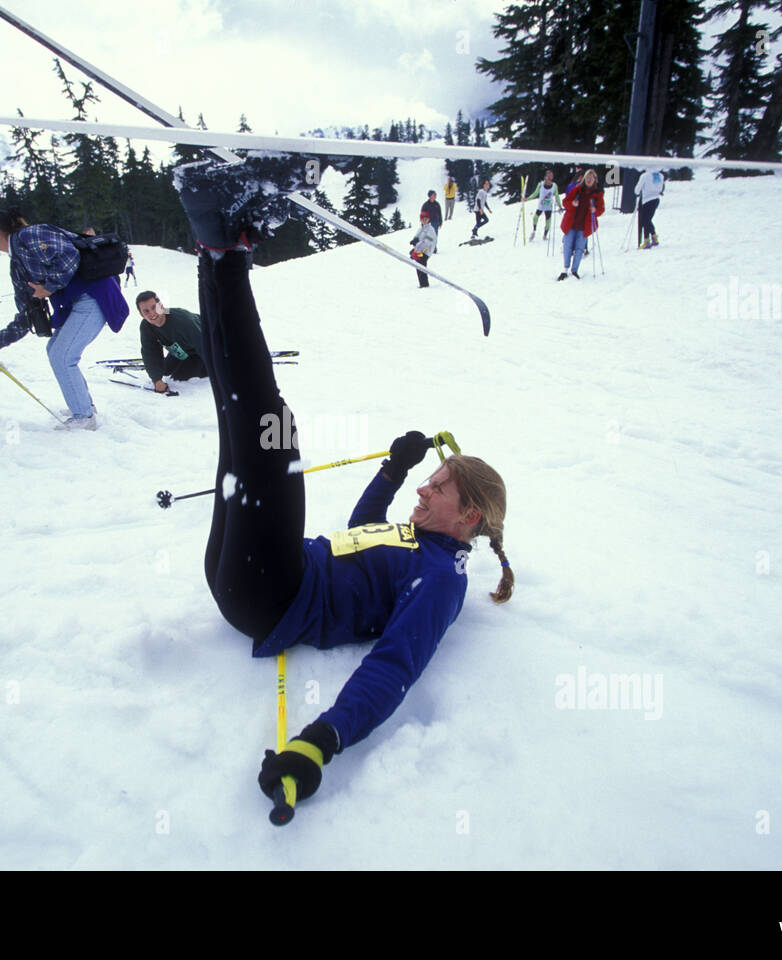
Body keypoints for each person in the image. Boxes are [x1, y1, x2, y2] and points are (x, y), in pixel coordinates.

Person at [172, 153, 513, 810]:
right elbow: (363, 533)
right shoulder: (417, 543)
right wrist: (395, 468)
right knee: (239, 422)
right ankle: (217, 244)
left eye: (438, 488)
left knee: (272, 430)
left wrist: (319, 741)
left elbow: (395, 666)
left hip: (273, 592)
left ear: (470, 516)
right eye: (430, 482)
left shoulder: (441, 579)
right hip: (250, 578)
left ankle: (224, 241)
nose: (423, 493)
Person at [0, 208, 129, 430]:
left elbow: (69, 255)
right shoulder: (17, 264)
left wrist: (48, 287)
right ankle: (84, 406)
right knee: (55, 349)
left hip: (95, 295)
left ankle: (84, 417)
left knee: (62, 355)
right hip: (77, 303)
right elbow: (27, 311)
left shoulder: (30, 236)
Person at [135, 290, 206, 391]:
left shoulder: (183, 321)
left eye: (153, 307)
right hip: (182, 349)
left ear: (161, 306)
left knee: (179, 377)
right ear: (141, 314)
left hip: (204, 345)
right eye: (146, 311)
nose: (152, 313)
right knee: (165, 370)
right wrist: (156, 380)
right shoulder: (146, 326)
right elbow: (150, 352)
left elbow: (206, 347)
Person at [558, 168, 605, 280]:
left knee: (580, 249)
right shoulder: (577, 189)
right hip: (571, 223)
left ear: (595, 180)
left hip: (585, 226)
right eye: (587, 178)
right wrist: (572, 204)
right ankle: (565, 269)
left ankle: (574, 271)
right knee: (567, 246)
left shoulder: (598, 193)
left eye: (591, 178)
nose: (589, 180)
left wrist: (595, 211)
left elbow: (601, 209)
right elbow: (565, 202)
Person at [636, 168, 664, 249]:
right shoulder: (660, 176)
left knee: (645, 220)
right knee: (648, 220)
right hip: (656, 199)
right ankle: (654, 237)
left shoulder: (645, 176)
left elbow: (637, 190)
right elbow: (661, 189)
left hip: (646, 200)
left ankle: (647, 240)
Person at [409, 210, 437, 287]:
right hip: (420, 250)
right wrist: (414, 240)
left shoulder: (430, 229)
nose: (424, 221)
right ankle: (422, 283)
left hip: (425, 251)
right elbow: (418, 236)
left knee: (421, 266)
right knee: (418, 266)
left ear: (429, 219)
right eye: (423, 219)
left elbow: (427, 242)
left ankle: (424, 284)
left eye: (426, 219)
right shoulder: (422, 228)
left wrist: (416, 248)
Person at [530, 170, 562, 240]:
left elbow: (556, 196)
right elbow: (535, 194)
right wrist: (526, 199)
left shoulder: (554, 186)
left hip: (548, 207)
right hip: (541, 206)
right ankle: (534, 231)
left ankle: (545, 236)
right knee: (535, 218)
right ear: (545, 176)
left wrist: (560, 205)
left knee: (548, 222)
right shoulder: (540, 184)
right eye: (548, 176)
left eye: (551, 176)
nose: (550, 178)